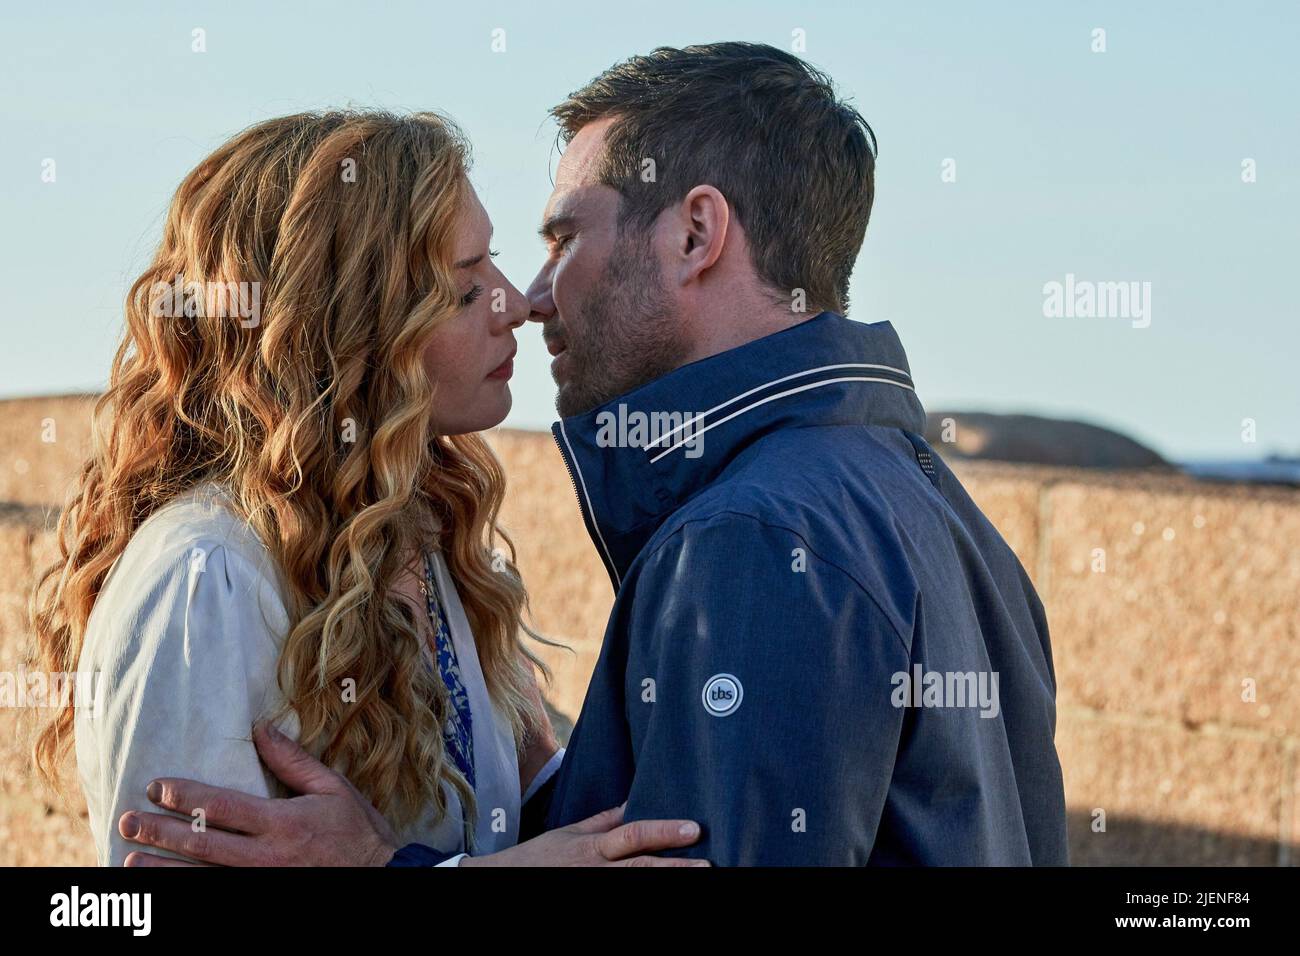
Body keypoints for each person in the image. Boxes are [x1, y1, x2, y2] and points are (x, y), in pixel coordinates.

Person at [117, 41, 1070, 866]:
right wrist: (555, 790)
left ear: (697, 233)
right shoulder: (930, 501)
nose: (527, 297)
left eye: (563, 237)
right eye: (464, 283)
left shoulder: (756, 536)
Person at [30, 110, 706, 868]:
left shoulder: (422, 539)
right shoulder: (209, 583)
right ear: (350, 328)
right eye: (462, 287)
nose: (514, 303)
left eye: (497, 263)